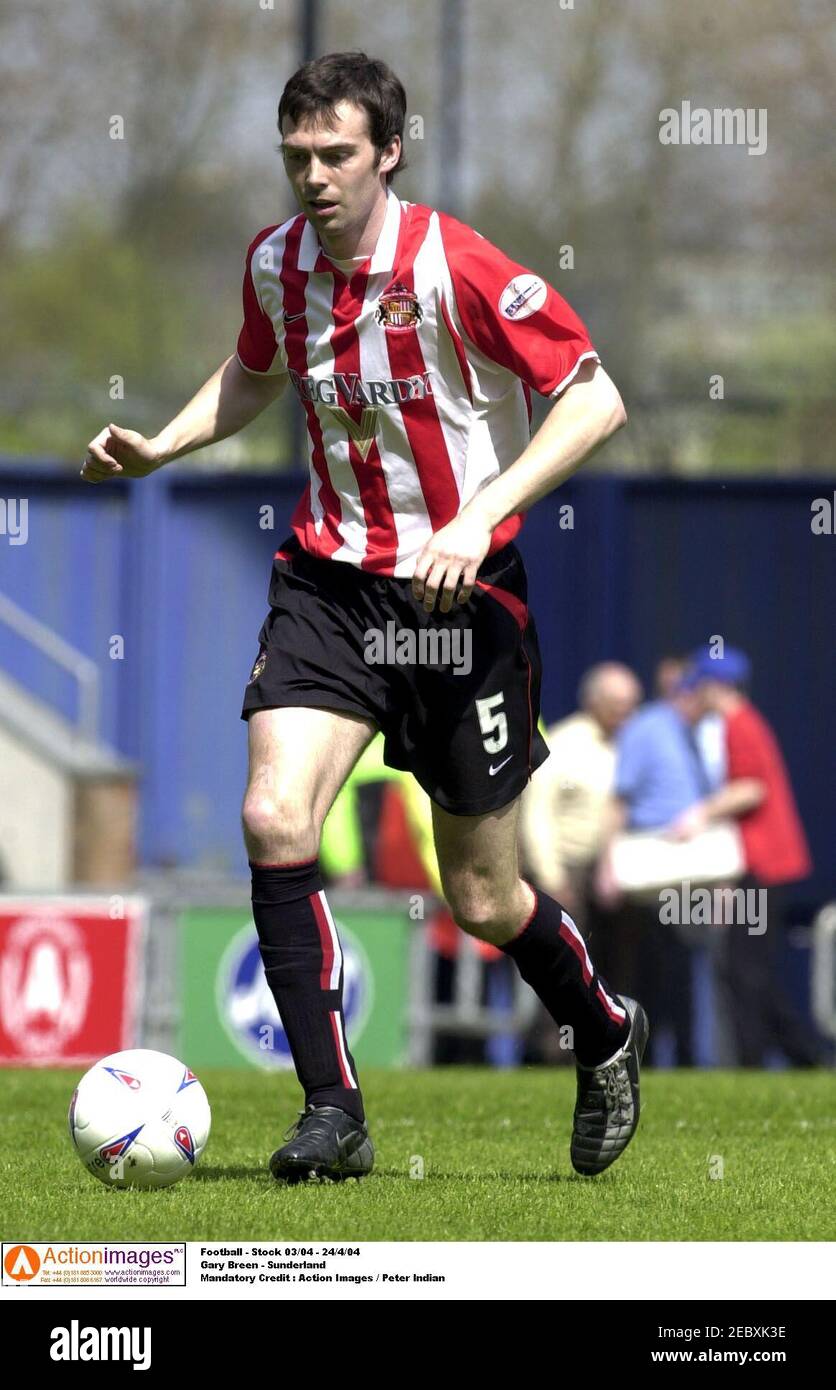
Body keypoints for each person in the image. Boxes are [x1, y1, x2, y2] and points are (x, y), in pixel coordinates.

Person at [80, 51, 647, 1182]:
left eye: (335, 154)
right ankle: (331, 1111)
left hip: (460, 602)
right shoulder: (277, 264)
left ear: (388, 151)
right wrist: (163, 443)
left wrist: (480, 512)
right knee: (272, 815)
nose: (313, 177)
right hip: (329, 585)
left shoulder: (454, 263)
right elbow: (253, 372)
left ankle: (600, 1027)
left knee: (480, 897)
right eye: (295, 157)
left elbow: (594, 395)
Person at [672, 646, 828, 1067]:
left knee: (745, 968)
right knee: (747, 968)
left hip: (763, 865)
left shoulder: (739, 724)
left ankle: (762, 1060)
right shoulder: (742, 722)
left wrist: (698, 814)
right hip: (759, 865)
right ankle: (802, 1056)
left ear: (713, 685)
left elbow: (752, 789)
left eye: (699, 685)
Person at [519, 663, 642, 1062]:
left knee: (618, 967)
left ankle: (613, 1048)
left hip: (620, 873)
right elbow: (538, 813)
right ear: (593, 702)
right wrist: (551, 875)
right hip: (568, 873)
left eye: (631, 704)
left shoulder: (637, 746)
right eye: (616, 703)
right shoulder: (566, 743)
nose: (625, 712)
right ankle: (548, 1054)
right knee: (563, 967)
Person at [596, 667, 711, 1065]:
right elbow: (619, 800)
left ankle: (686, 1058)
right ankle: (640, 1056)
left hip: (688, 870)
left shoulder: (697, 734)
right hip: (649, 868)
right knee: (649, 969)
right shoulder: (647, 729)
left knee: (681, 967)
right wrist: (608, 866)